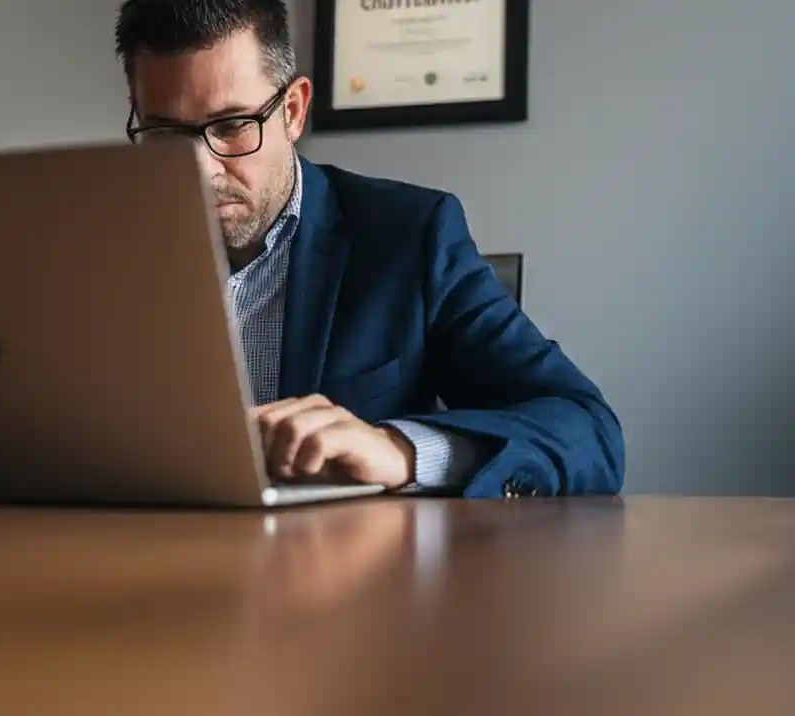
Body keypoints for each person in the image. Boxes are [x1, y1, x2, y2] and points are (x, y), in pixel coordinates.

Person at [115, 0, 624, 498]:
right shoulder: (92, 251)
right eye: (165, 132)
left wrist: (399, 451)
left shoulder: (411, 237)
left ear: (293, 112)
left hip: (339, 572)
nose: (202, 168)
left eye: (231, 126)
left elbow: (587, 429)